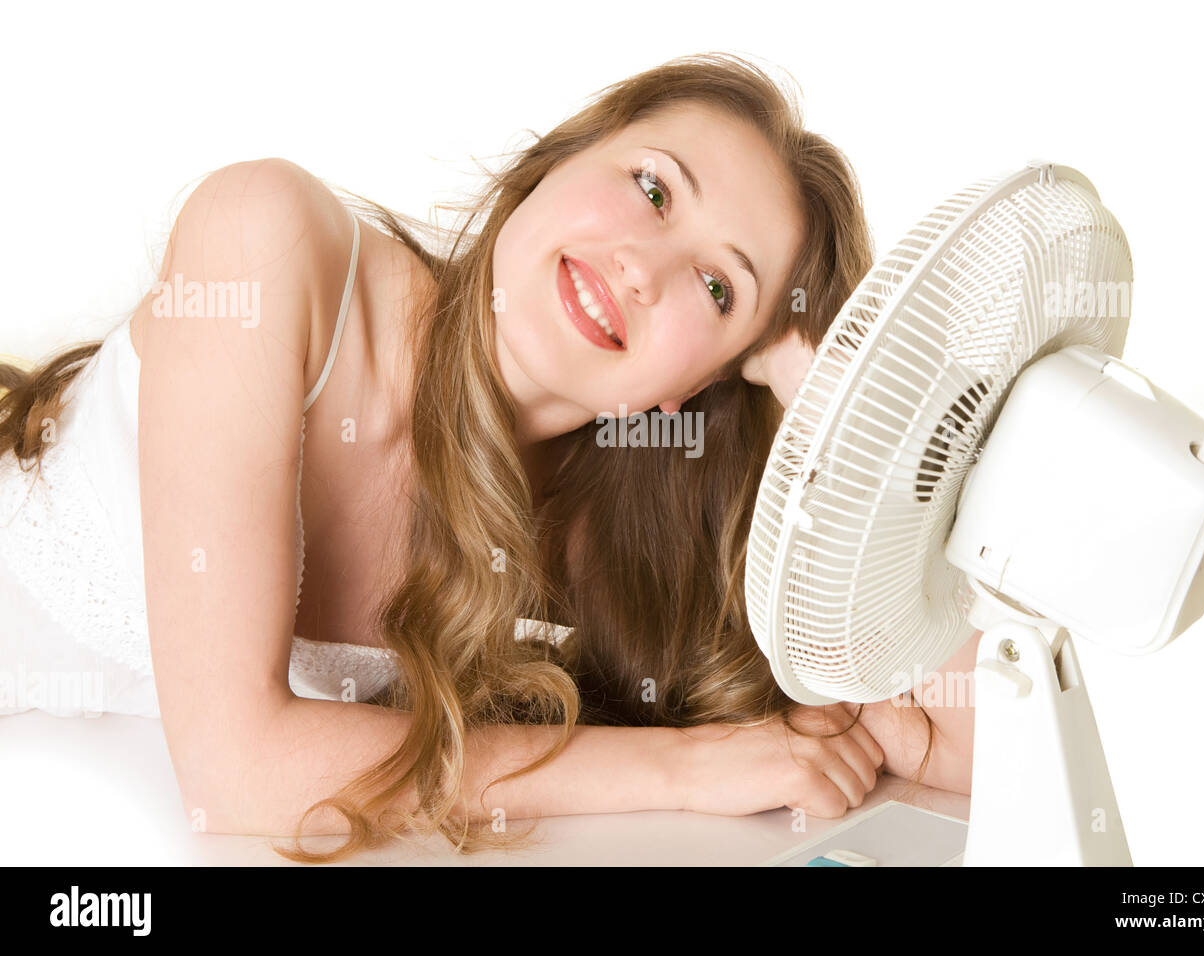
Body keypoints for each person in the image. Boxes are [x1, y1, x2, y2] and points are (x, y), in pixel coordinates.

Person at [0, 53, 970, 863]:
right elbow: (236, 770)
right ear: (556, 158)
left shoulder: (596, 549)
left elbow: (967, 755)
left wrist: (847, 412)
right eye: (651, 187)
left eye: (718, 288)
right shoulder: (266, 238)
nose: (643, 264)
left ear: (703, 387)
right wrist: (687, 768)